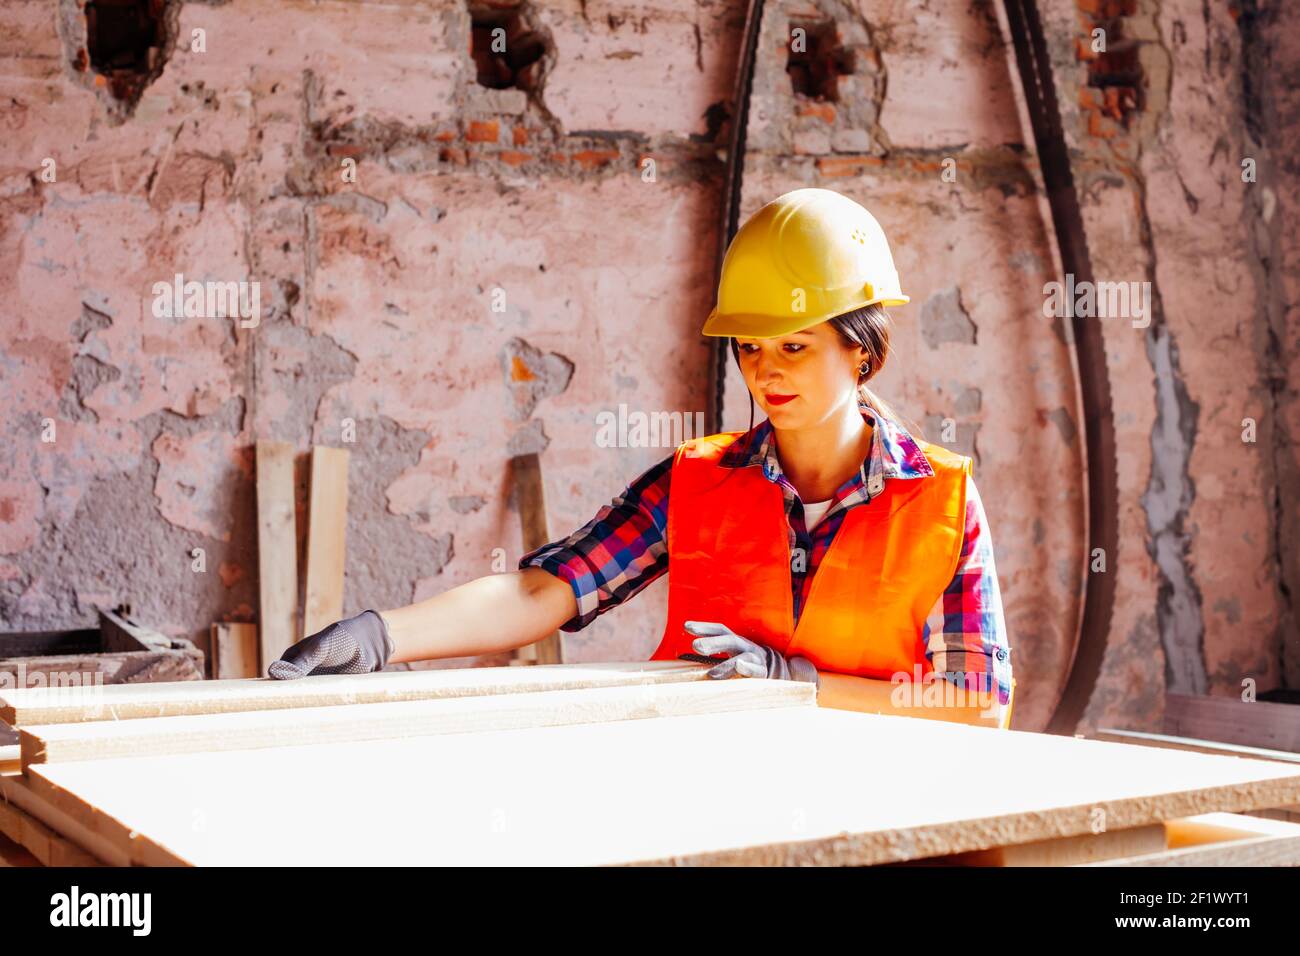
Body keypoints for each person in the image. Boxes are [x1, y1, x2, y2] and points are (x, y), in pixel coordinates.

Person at [269, 188, 1015, 728]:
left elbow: (977, 702)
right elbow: (545, 593)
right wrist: (382, 636)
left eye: (795, 345)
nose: (767, 372)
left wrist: (801, 683)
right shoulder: (700, 480)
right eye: (750, 347)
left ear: (861, 349)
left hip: (882, 817)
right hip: (710, 805)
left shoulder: (940, 501)